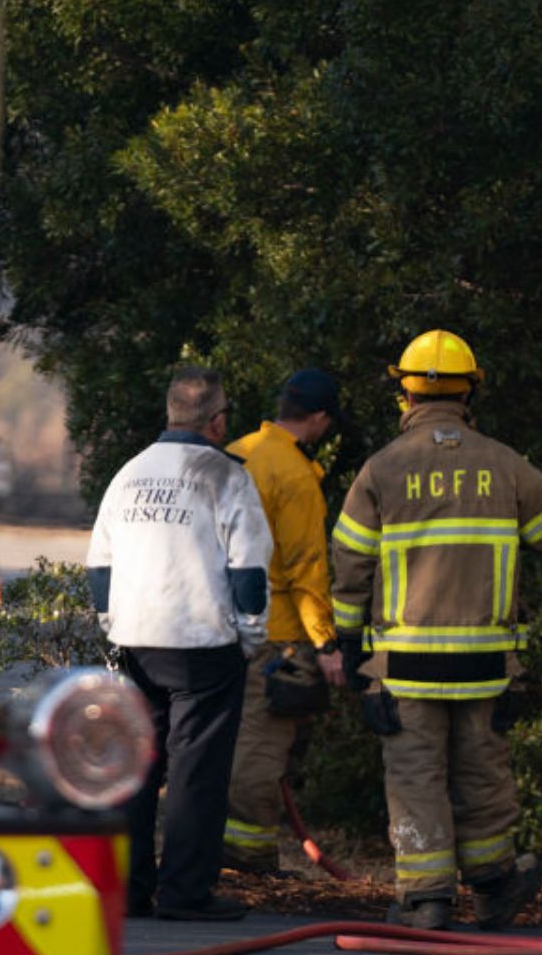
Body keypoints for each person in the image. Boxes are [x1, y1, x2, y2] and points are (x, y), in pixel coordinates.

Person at [330, 330, 542, 931]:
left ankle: (427, 900)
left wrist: (348, 648)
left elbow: (347, 566)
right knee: (482, 773)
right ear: (471, 393)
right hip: (485, 663)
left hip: (404, 665)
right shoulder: (504, 463)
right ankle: (493, 887)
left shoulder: (381, 470)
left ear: (405, 395)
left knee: (416, 777)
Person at [87, 366, 272, 922]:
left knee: (138, 766)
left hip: (135, 643)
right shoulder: (226, 478)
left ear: (170, 413)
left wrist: (112, 624)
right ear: (217, 422)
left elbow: (99, 565)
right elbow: (248, 573)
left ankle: (128, 888)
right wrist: (250, 637)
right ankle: (186, 893)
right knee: (196, 770)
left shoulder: (129, 474)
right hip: (202, 645)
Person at [220, 368, 348, 875]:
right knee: (262, 746)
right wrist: (327, 643)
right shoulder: (294, 476)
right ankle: (247, 855)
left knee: (227, 740)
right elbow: (306, 570)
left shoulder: (236, 451)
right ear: (318, 418)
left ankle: (222, 846)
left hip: (219, 626)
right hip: (276, 634)